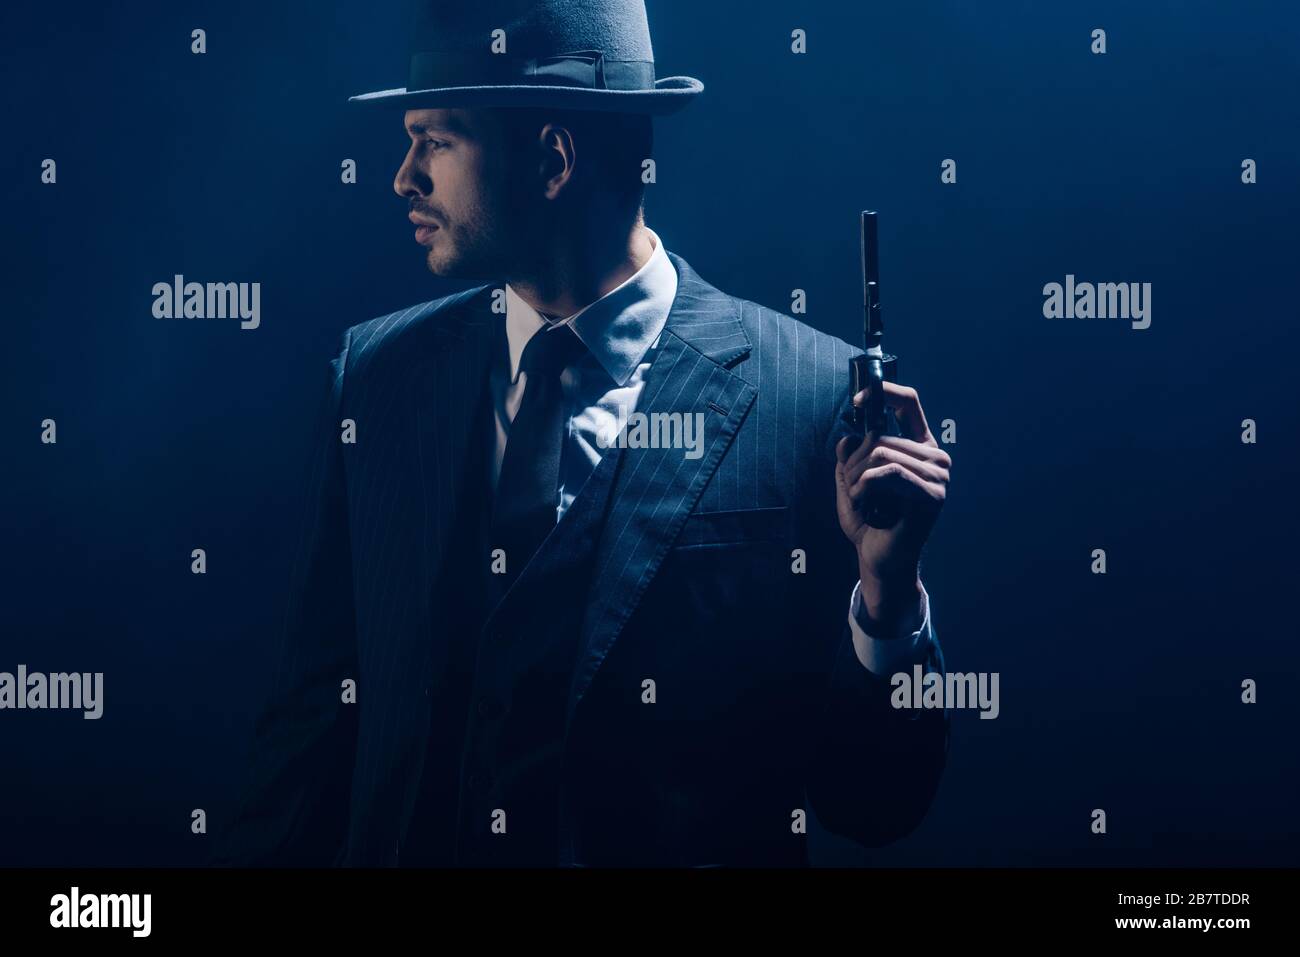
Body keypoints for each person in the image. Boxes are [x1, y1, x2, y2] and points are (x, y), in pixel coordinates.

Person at [214, 0, 952, 868]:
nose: (403, 177)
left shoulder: (807, 397)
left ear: (553, 158)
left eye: (437, 140)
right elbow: (305, 753)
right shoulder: (376, 380)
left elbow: (871, 804)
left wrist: (887, 597)